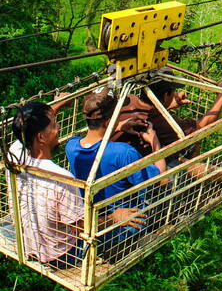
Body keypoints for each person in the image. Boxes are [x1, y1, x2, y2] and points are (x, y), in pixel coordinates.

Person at [66, 91, 163, 258]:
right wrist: (154, 141)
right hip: (122, 228)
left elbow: (96, 145)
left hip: (92, 218)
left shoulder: (71, 146)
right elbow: (161, 177)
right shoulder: (124, 153)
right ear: (109, 121)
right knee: (178, 172)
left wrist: (117, 127)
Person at [7, 100, 85, 268]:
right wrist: (114, 217)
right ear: (41, 137)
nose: (58, 129)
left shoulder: (13, 156)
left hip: (29, 244)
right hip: (61, 255)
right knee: (119, 230)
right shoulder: (62, 178)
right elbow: (84, 228)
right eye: (54, 125)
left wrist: (54, 107)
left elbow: (25, 127)